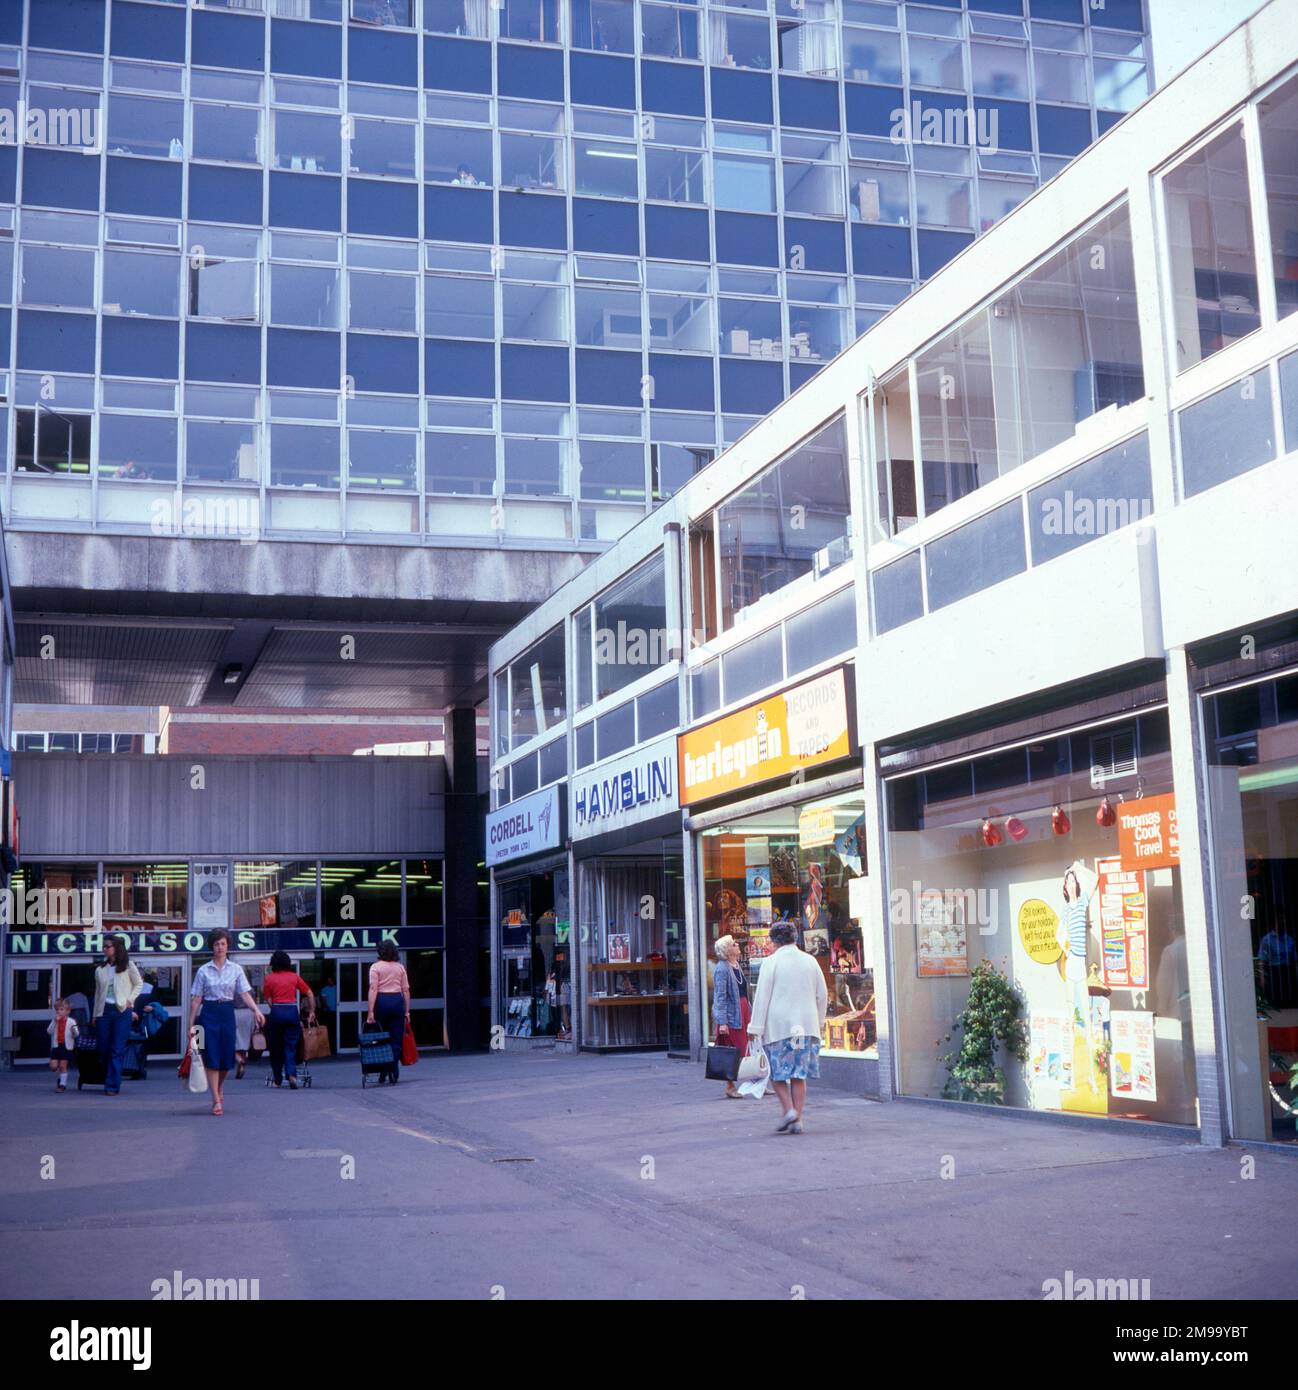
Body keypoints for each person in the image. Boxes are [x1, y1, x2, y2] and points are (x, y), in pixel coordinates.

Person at [747, 920, 827, 1135]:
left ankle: (789, 1110)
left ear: (774, 941)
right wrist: (819, 1021)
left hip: (779, 1026)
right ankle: (798, 1119)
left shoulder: (771, 962)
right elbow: (822, 995)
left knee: (777, 1074)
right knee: (798, 1075)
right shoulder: (810, 961)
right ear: (795, 938)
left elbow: (762, 997)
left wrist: (755, 1028)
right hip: (806, 1026)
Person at [188, 929, 264, 1117]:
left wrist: (256, 1010)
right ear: (212, 947)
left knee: (226, 1056)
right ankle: (215, 1100)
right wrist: (191, 1025)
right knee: (211, 1054)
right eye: (216, 944)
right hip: (209, 1013)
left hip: (227, 1012)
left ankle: (219, 1087)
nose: (220, 947)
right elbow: (196, 999)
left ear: (227, 945)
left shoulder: (236, 969)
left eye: (223, 943)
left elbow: (245, 993)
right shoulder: (203, 970)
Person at [93, 935, 143, 1097]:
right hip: (104, 1012)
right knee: (103, 1048)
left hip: (122, 1011)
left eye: (108, 946)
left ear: (116, 948)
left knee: (117, 1049)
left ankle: (112, 1085)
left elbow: (139, 984)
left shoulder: (128, 966)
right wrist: (95, 1014)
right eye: (104, 947)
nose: (105, 949)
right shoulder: (100, 969)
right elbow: (97, 994)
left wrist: (130, 1000)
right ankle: (109, 1078)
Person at [262, 951, 315, 1089]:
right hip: (292, 1012)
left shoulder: (269, 978)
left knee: (275, 1048)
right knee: (290, 1047)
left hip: (277, 1011)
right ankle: (292, 1075)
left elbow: (268, 999)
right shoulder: (294, 977)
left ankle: (277, 1080)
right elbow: (309, 993)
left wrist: (275, 1008)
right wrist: (312, 1011)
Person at [366, 939, 410, 1085]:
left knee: (381, 1038)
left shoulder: (375, 967)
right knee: (396, 1040)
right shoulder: (400, 967)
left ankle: (383, 1071)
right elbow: (406, 990)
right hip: (397, 1001)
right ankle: (394, 1071)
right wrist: (407, 1011)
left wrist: (370, 1011)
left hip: (382, 1002)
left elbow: (373, 989)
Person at [711, 934, 749, 1100]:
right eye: (734, 944)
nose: (737, 945)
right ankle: (730, 1086)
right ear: (727, 950)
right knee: (733, 1049)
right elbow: (720, 997)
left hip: (742, 1011)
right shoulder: (722, 968)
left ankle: (758, 1080)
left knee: (747, 1046)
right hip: (731, 1015)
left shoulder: (736, 965)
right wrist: (723, 1022)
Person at [47, 998, 79, 1092]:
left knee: (63, 1066)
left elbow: (76, 1034)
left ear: (68, 1011)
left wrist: (74, 1032)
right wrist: (55, 1021)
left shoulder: (71, 1021)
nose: (59, 1012)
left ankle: (62, 1085)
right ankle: (60, 1077)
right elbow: (49, 1031)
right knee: (53, 1066)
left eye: (61, 1009)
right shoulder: (55, 1021)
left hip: (66, 1046)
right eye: (57, 1010)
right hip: (57, 1046)